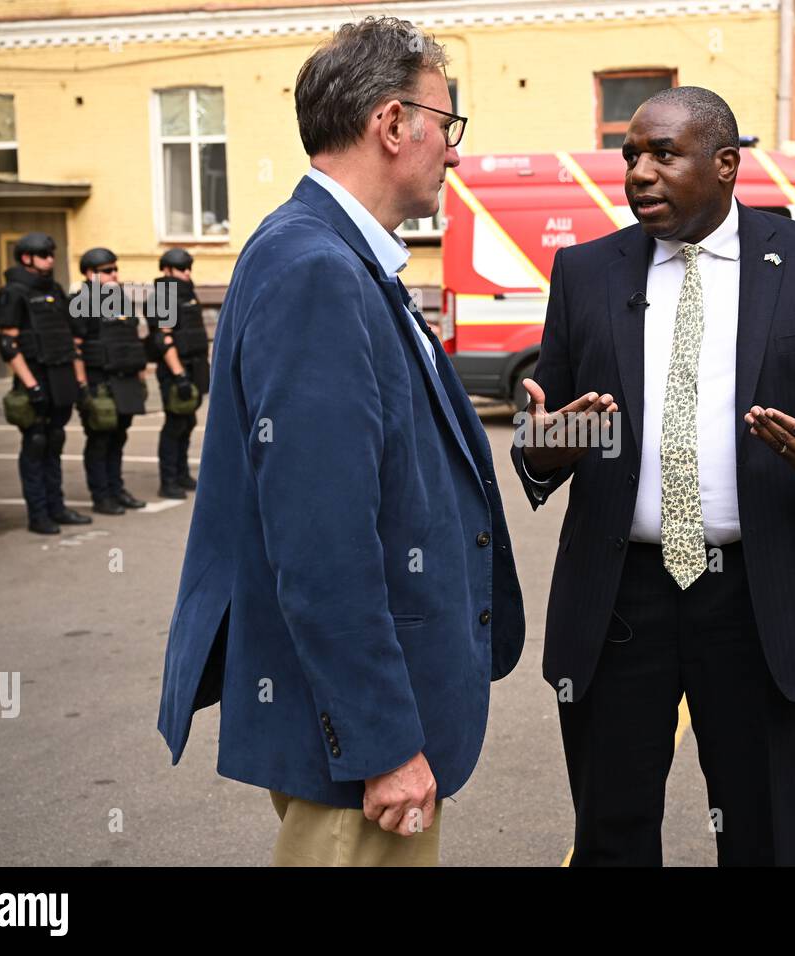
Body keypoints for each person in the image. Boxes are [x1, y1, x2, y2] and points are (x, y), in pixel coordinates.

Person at [157, 17, 524, 867]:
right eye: (448, 124)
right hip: (357, 757)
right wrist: (383, 745)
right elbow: (321, 542)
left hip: (359, 732)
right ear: (394, 125)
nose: (456, 153)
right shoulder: (316, 269)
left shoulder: (337, 257)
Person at [511, 87, 795, 866]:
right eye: (630, 157)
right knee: (612, 835)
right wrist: (544, 447)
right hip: (621, 598)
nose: (639, 173)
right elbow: (546, 423)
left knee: (761, 833)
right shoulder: (584, 271)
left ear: (725, 165)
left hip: (757, 599)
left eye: (663, 154)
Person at [0, 232, 94, 535]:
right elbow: (8, 345)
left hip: (60, 377)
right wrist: (31, 385)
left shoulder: (55, 290)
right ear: (27, 258)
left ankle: (57, 507)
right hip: (35, 379)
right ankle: (38, 514)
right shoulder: (13, 292)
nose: (50, 259)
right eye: (44, 254)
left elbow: (70, 337)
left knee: (55, 441)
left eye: (52, 254)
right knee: (35, 444)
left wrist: (79, 381)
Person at [73, 247, 148, 515]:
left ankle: (117, 490)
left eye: (115, 269)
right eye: (107, 271)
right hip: (99, 382)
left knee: (119, 437)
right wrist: (82, 387)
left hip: (125, 380)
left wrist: (140, 379)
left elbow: (132, 340)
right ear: (90, 274)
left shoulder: (121, 298)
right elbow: (76, 348)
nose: (114, 274)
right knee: (100, 440)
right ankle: (101, 496)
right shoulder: (81, 301)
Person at [144, 247, 207, 499]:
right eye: (182, 268)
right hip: (175, 369)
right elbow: (163, 339)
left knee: (188, 421)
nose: (187, 273)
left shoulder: (187, 293)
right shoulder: (164, 296)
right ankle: (168, 480)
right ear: (167, 270)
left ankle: (181, 473)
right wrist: (179, 374)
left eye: (189, 267)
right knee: (175, 423)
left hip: (194, 366)